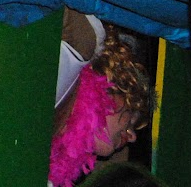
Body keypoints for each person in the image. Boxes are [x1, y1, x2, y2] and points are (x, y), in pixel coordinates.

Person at [49, 24, 154, 187]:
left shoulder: (47, 172)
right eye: (131, 118)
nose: (132, 137)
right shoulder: (80, 47)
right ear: (114, 87)